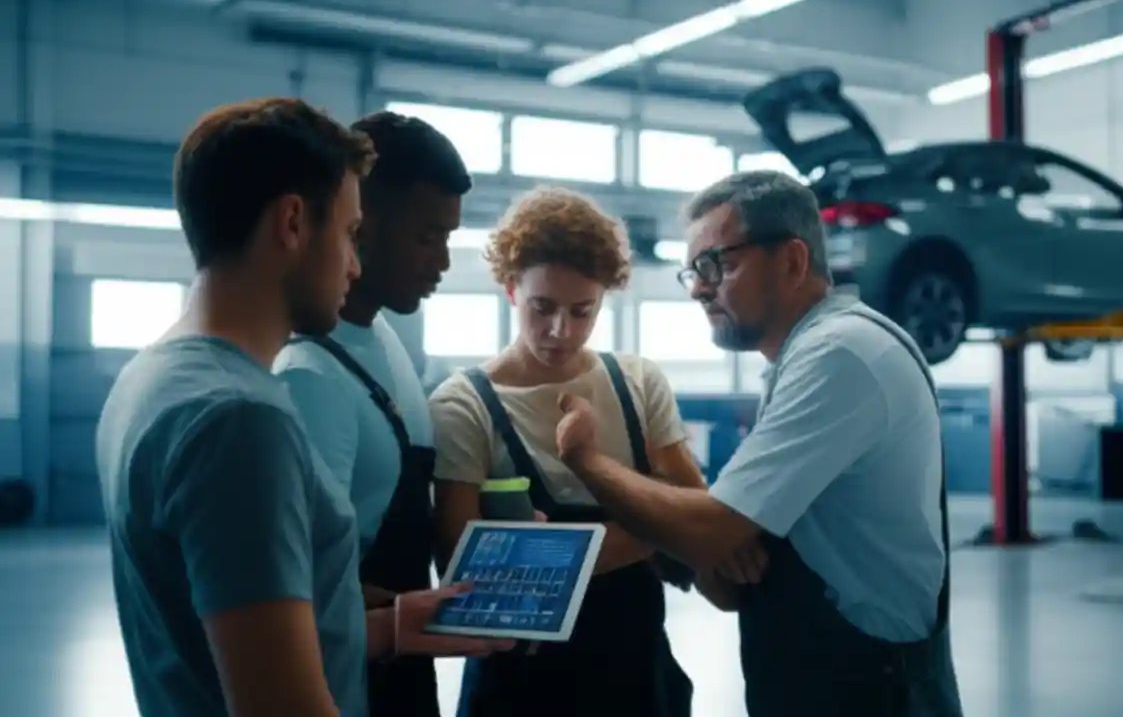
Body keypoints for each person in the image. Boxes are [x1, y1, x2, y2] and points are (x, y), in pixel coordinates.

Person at [96, 98, 478, 717]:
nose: (355, 263)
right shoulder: (240, 420)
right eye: (351, 234)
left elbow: (237, 628)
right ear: (294, 224)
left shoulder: (150, 377)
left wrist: (394, 624)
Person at [551, 170, 965, 716]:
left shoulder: (840, 356)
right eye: (693, 271)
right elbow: (726, 576)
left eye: (716, 263)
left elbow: (709, 532)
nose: (700, 287)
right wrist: (708, 535)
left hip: (868, 692)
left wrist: (586, 459)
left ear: (792, 262)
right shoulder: (802, 359)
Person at [428, 186, 705, 717]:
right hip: (519, 690)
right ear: (511, 289)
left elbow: (696, 516)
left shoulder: (637, 383)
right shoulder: (465, 404)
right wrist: (652, 525)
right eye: (543, 307)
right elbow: (462, 577)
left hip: (637, 677)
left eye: (583, 311)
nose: (561, 331)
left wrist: (536, 556)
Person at [274, 110, 513, 717]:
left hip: (404, 669)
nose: (442, 261)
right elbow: (292, 591)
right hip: (347, 684)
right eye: (427, 237)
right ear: (361, 223)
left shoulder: (384, 338)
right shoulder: (307, 375)